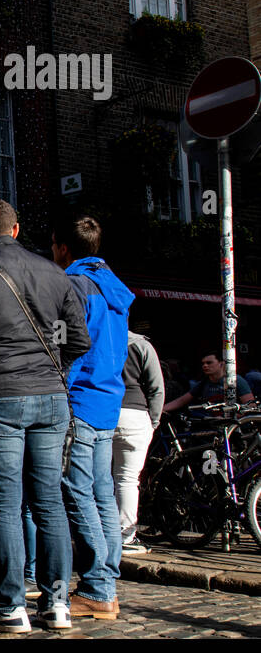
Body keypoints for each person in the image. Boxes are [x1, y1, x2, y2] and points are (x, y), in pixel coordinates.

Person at [0, 199, 90, 634]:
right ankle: (57, 603)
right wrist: (52, 368)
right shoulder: (54, 272)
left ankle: (11, 607)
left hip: (1, 397)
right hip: (51, 397)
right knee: (49, 502)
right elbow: (78, 339)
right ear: (15, 228)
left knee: (6, 506)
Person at [53, 216, 133, 622]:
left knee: (77, 490)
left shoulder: (73, 284)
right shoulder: (110, 286)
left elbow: (69, 346)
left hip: (81, 398)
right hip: (108, 397)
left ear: (64, 248)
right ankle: (106, 585)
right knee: (102, 493)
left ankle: (98, 586)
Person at [113, 330, 164, 554]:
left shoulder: (98, 337)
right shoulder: (141, 345)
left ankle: (97, 532)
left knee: (97, 478)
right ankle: (125, 536)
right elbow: (157, 388)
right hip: (135, 415)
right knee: (127, 479)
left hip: (103, 412)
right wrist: (152, 422)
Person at [163, 352, 254, 411]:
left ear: (221, 364)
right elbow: (182, 400)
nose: (205, 366)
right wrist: (161, 410)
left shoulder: (235, 380)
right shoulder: (203, 383)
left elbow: (250, 405)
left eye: (209, 363)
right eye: (203, 363)